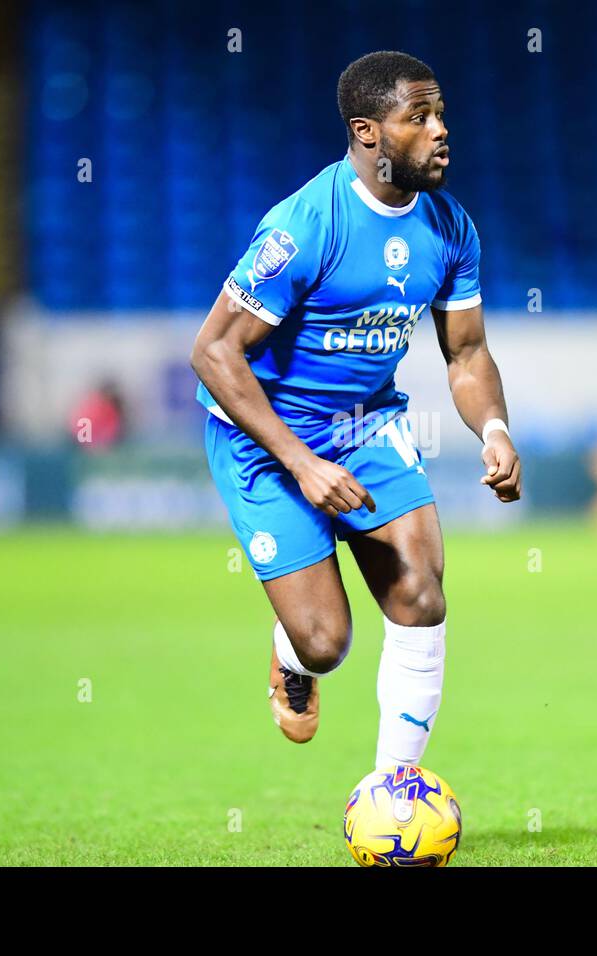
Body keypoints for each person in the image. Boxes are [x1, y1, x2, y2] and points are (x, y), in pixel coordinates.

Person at [191, 50, 520, 771]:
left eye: (441, 114)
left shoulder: (449, 227)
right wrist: (302, 464)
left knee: (419, 596)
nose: (440, 130)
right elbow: (215, 353)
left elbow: (466, 356)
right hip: (264, 436)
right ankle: (292, 652)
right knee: (325, 642)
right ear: (368, 133)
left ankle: (394, 793)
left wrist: (493, 428)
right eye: (419, 117)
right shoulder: (305, 226)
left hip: (367, 424)